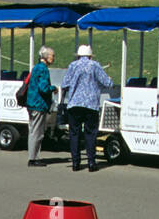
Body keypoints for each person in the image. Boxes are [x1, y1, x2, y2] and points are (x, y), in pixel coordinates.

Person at [60, 43, 113, 171]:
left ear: (78, 55)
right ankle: (91, 162)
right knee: (90, 134)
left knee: (74, 133)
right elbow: (107, 83)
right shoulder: (95, 65)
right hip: (91, 104)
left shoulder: (73, 66)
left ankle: (76, 163)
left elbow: (64, 84)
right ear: (90, 56)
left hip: (75, 103)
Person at [25, 46, 56, 166]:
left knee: (33, 130)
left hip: (31, 102)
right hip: (39, 104)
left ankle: (33, 156)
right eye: (52, 56)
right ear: (47, 57)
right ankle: (33, 158)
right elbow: (43, 88)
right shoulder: (43, 69)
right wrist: (53, 88)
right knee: (37, 132)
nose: (53, 58)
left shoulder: (36, 67)